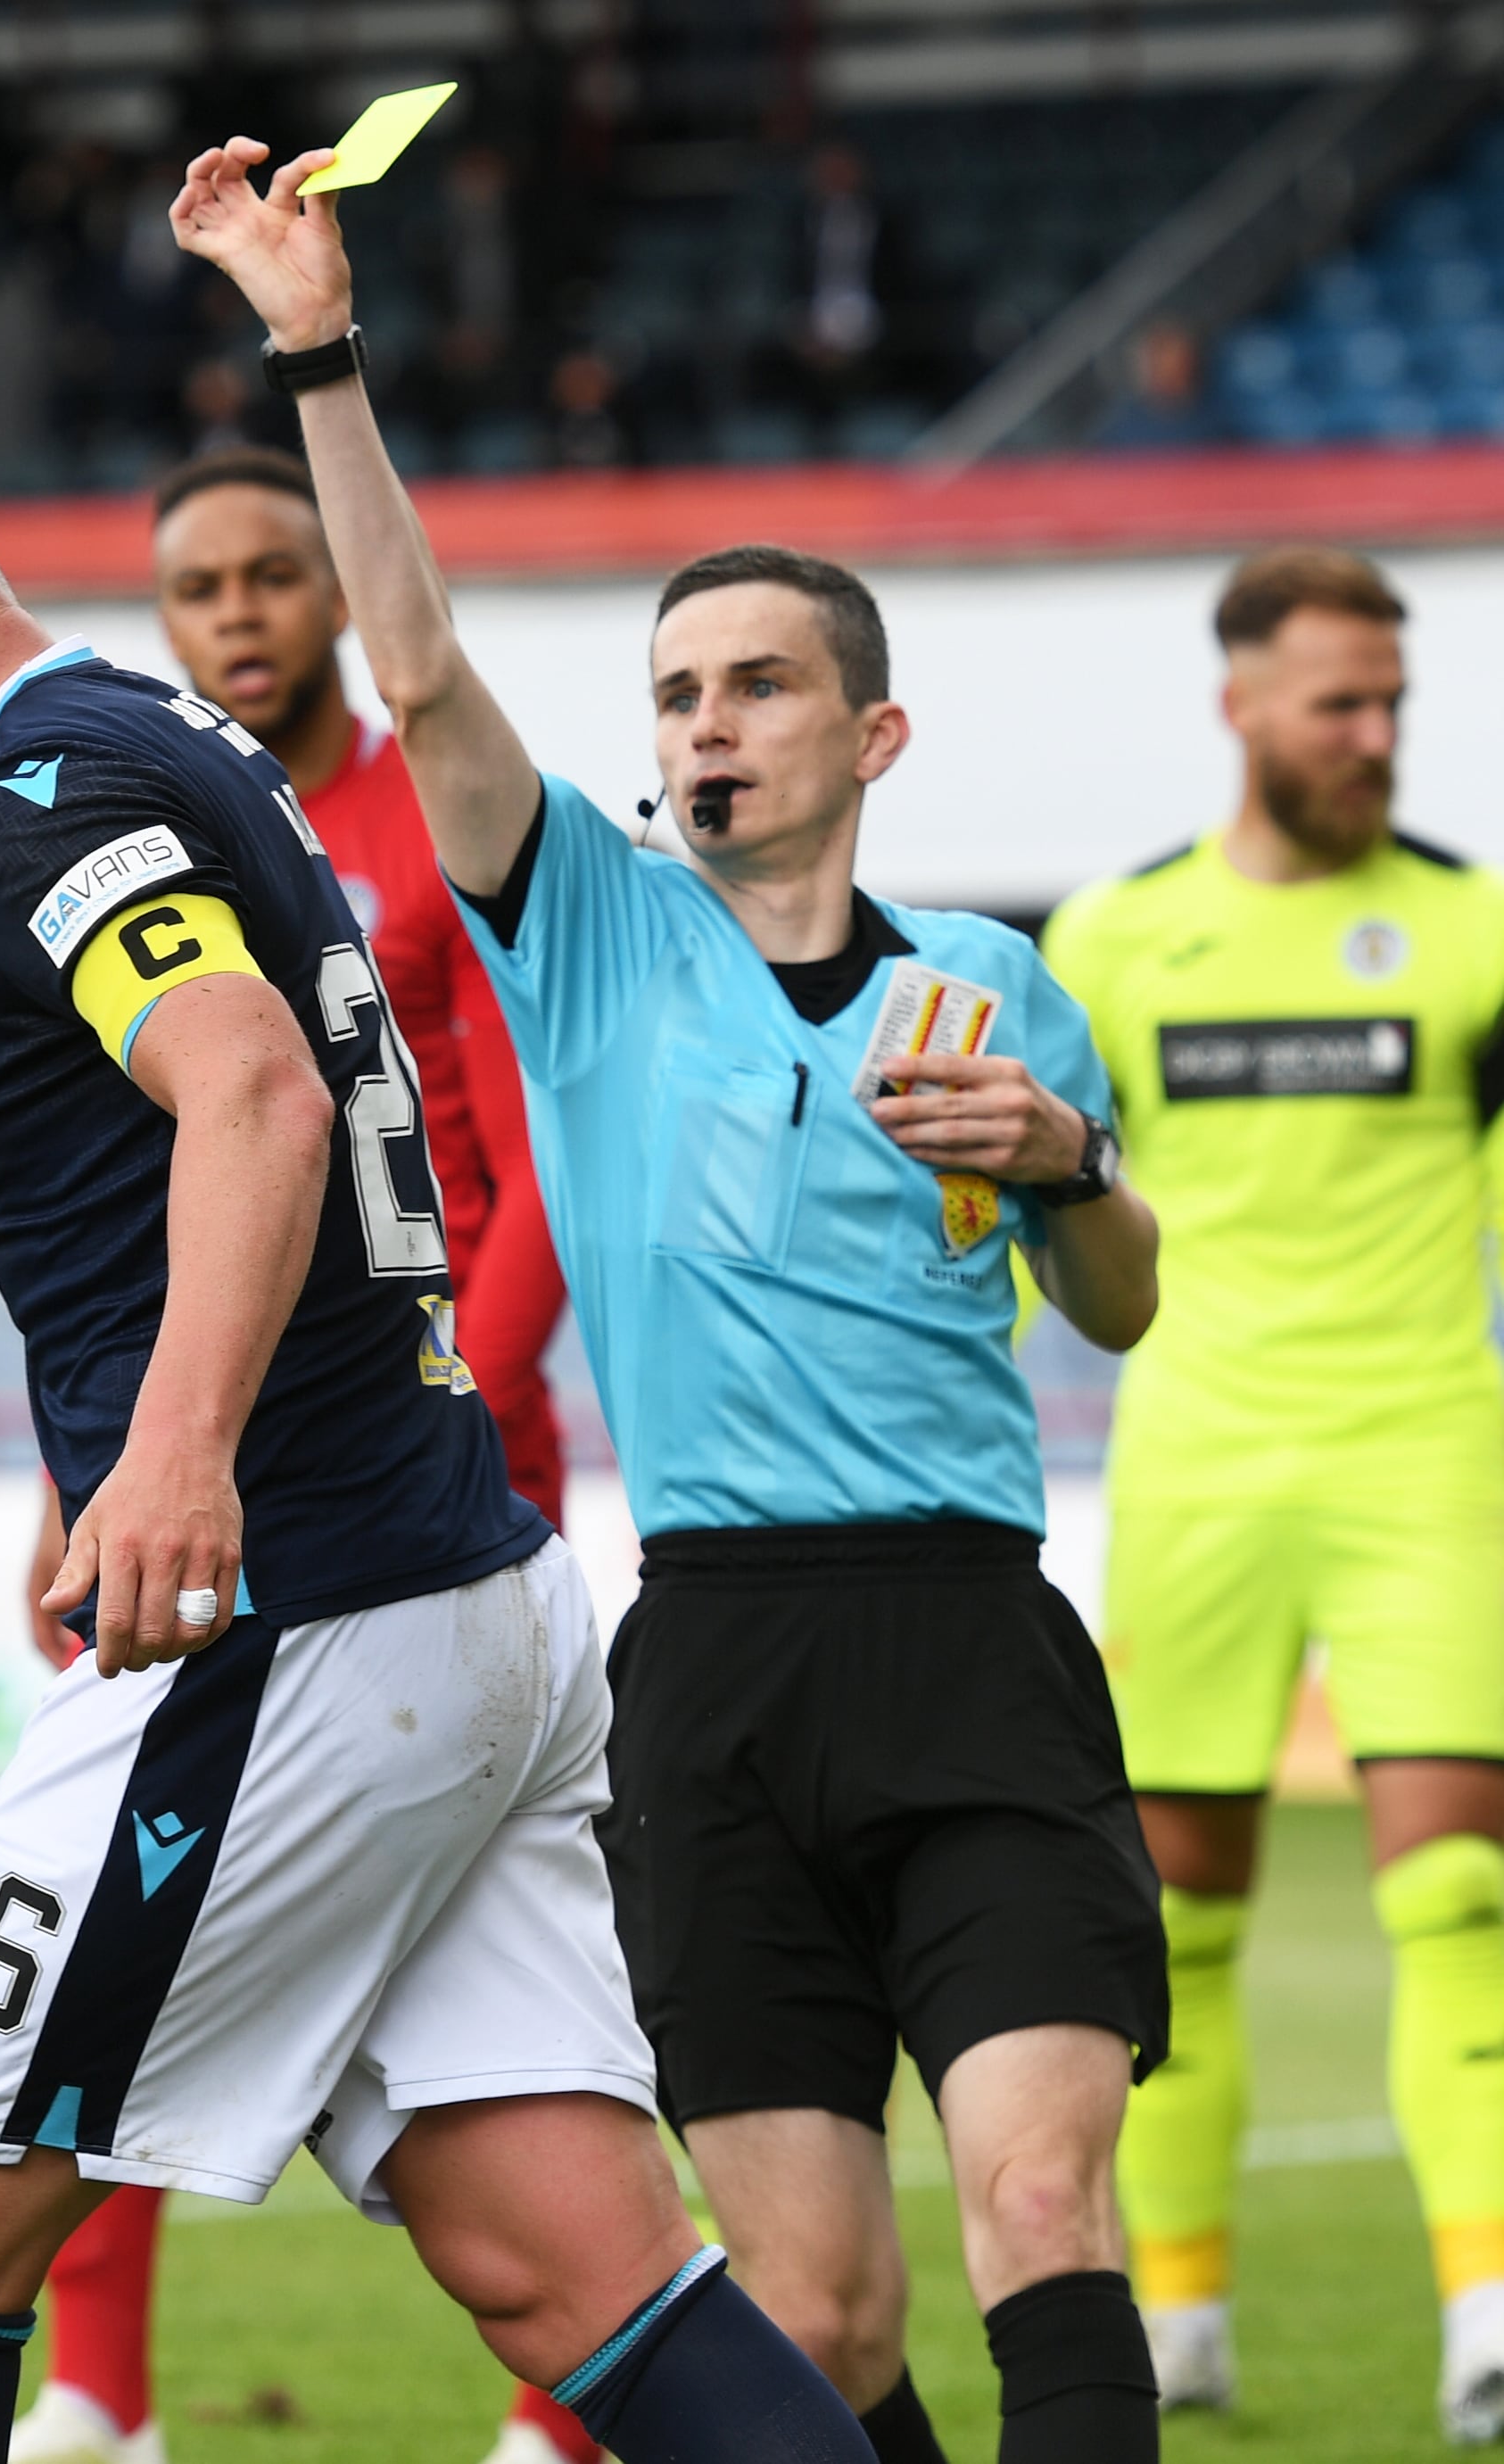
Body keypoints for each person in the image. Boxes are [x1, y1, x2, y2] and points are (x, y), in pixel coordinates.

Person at [0, 415, 875, 2464]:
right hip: (455, 1596)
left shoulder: (56, 793)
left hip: (289, 1618)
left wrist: (174, 1450)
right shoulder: (125, 755)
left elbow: (250, 1092)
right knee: (572, 2271)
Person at [174, 135, 1171, 2464]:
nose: (705, 722)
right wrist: (317, 347)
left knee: (1045, 2189)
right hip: (715, 1677)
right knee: (814, 2319)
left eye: (756, 685)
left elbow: (1115, 1308)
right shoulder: (595, 937)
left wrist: (1072, 1162)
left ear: (871, 736)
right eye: (676, 690)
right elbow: (411, 672)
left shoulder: (1003, 985)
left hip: (977, 1653)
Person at [12, 442, 580, 2464]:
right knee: (107, 1908)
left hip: (421, 1486)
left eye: (273, 573)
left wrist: (475, 1407)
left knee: (528, 1957)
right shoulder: (134, 829)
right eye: (199, 585)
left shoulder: (429, 828)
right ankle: (97, 2388)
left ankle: (559, 2402)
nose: (239, 610)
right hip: (192, 1480)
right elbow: (111, 1199)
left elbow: (523, 1166)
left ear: (337, 596)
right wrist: (79, 1465)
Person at [1044, 546, 1504, 2445]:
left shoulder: (1477, 932)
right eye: (1339, 701)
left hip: (1426, 1453)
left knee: (1464, 1892)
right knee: (1179, 1924)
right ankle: (1180, 2313)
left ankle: (1486, 2309)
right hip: (1199, 1464)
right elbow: (1042, 1227)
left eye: (1392, 700)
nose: (1375, 735)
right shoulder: (1110, 937)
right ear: (1239, 703)